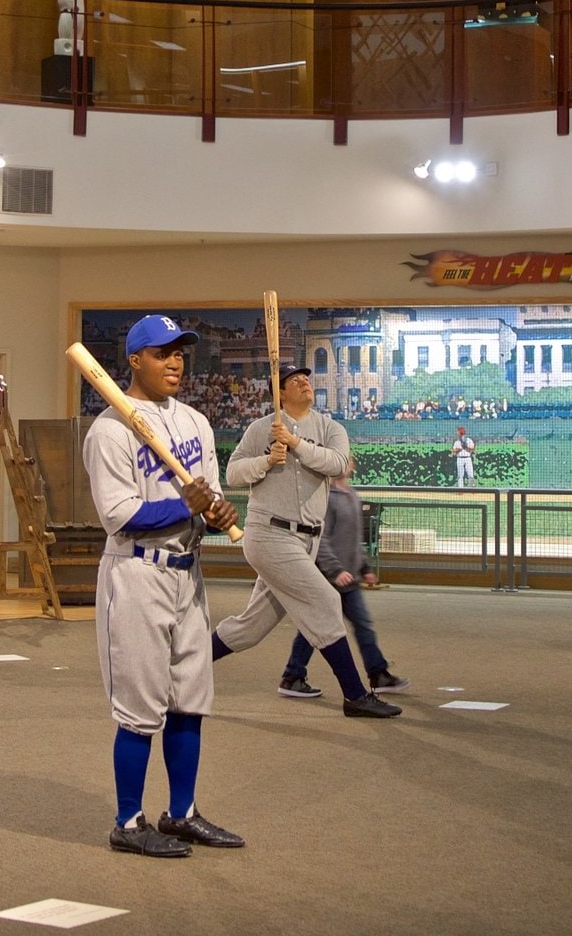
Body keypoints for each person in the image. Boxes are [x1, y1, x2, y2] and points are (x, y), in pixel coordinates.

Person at [83, 315, 244, 858]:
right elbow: (119, 514)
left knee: (189, 700)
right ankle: (128, 821)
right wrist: (184, 504)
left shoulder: (197, 422)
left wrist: (217, 511)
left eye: (180, 351)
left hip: (187, 572)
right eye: (161, 353)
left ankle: (182, 813)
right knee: (139, 706)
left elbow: (209, 492)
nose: (175, 361)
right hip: (136, 573)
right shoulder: (109, 429)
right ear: (134, 360)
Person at [209, 366, 402, 718]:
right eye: (295, 380)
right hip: (268, 533)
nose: (305, 382)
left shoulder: (330, 428)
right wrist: (267, 460)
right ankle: (355, 695)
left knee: (251, 628)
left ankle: (179, 668)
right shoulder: (259, 429)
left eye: (306, 379)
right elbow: (233, 474)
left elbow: (337, 462)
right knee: (327, 600)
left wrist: (296, 444)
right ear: (280, 393)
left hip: (307, 541)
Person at [280, 469, 407, 699]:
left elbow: (353, 540)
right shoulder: (326, 498)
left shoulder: (351, 495)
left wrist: (364, 568)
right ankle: (292, 676)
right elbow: (322, 539)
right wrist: (335, 570)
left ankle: (378, 674)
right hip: (329, 579)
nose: (348, 462)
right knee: (314, 629)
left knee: (362, 625)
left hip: (350, 579)